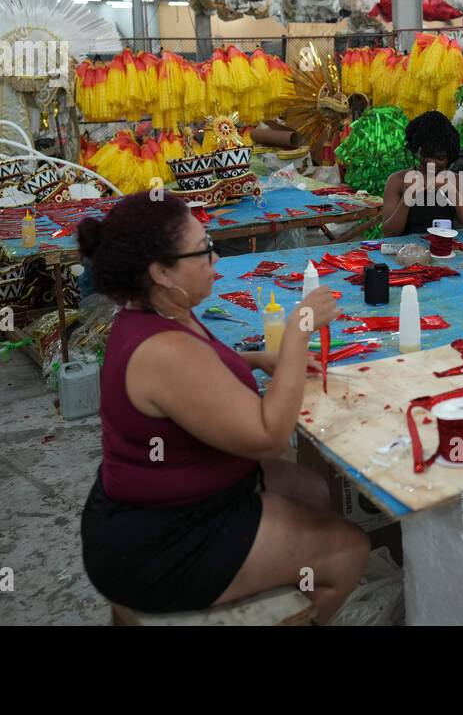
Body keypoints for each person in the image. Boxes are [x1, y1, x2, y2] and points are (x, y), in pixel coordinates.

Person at [78, 192, 368, 622]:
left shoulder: (158, 311)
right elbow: (269, 438)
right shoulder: (164, 351)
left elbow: (202, 368)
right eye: (203, 251)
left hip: (174, 496)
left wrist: (255, 360)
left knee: (316, 490)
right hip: (161, 542)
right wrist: (296, 333)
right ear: (161, 272)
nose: (215, 260)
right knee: (350, 549)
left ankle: (282, 569)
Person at [381, 110, 463, 237]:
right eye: (427, 156)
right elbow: (389, 233)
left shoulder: (458, 182)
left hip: (444, 250)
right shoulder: (397, 181)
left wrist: (452, 191)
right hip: (407, 251)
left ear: (450, 158)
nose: (431, 163)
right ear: (417, 151)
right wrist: (407, 200)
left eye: (439, 158)